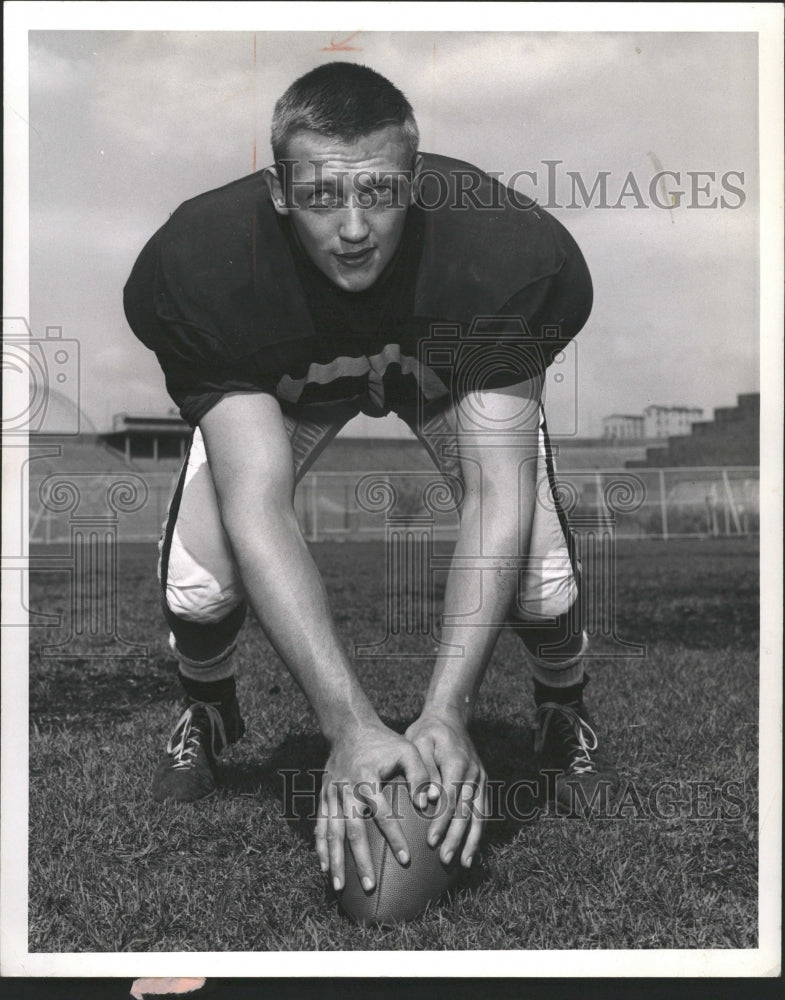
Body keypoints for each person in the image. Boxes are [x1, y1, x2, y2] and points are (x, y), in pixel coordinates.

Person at [123, 62, 617, 900]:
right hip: (292, 386)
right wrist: (347, 724)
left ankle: (561, 707)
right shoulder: (203, 263)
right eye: (321, 197)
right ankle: (206, 708)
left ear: (416, 182)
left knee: (540, 577)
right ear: (278, 191)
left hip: (439, 375)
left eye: (380, 192)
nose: (353, 229)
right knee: (199, 583)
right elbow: (257, 502)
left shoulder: (503, 252)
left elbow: (497, 493)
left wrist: (447, 709)